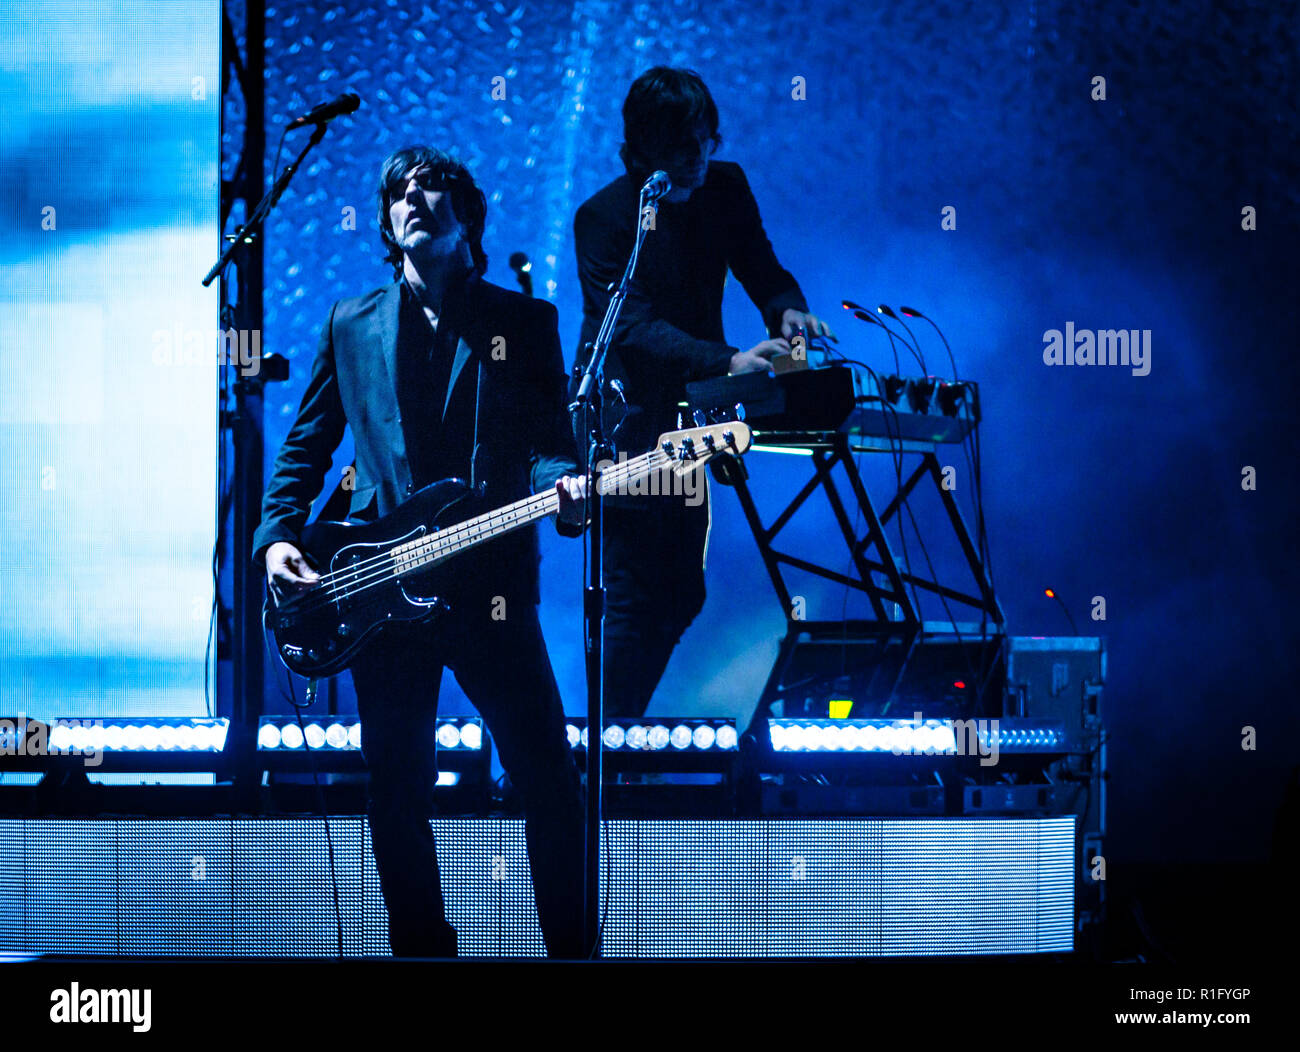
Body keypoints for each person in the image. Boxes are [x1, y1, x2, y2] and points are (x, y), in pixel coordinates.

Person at [253, 145, 589, 958]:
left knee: (547, 777)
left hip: (489, 583)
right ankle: (423, 954)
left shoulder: (523, 323)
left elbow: (545, 445)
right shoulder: (350, 322)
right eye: (400, 191)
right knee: (397, 787)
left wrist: (568, 486)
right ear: (386, 219)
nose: (414, 199)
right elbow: (304, 449)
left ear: (467, 214)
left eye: (433, 187)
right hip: (378, 587)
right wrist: (275, 541)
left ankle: (573, 952)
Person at [572, 66, 835, 718]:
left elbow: (763, 267)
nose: (697, 157)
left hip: (695, 419)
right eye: (679, 145)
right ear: (639, 155)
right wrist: (731, 358)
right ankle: (603, 744)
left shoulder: (726, 187)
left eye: (704, 139)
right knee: (634, 592)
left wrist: (787, 316)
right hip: (629, 426)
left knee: (680, 591)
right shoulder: (605, 219)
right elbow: (631, 328)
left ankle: (611, 735)